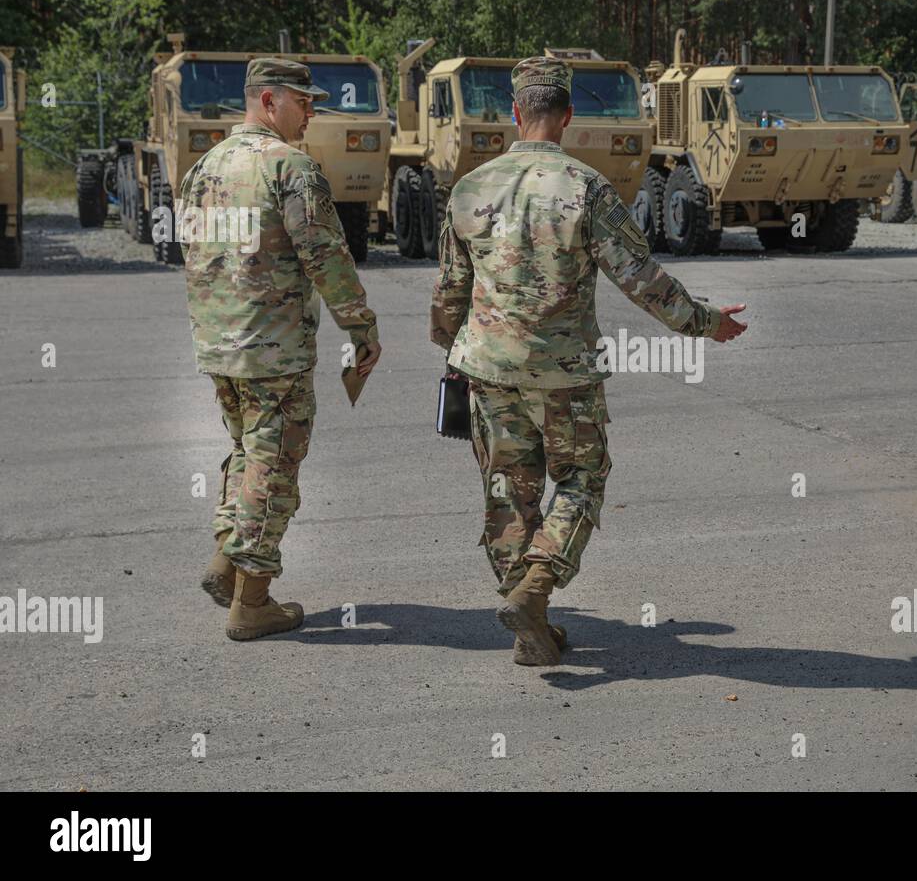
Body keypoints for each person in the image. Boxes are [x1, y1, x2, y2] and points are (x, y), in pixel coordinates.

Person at [430, 56, 747, 667]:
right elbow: (641, 279)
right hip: (564, 373)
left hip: (487, 370)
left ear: (515, 115)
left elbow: (448, 293)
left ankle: (530, 619)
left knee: (507, 489)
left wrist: (456, 352)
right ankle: (536, 592)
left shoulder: (469, 188)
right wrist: (706, 322)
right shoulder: (587, 187)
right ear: (568, 117)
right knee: (580, 480)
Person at [180, 58, 381, 641]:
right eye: (303, 100)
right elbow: (325, 255)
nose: (312, 110)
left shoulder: (204, 167)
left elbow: (192, 254)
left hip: (219, 342)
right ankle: (254, 600)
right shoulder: (291, 168)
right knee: (277, 464)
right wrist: (361, 326)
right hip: (273, 349)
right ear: (268, 101)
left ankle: (227, 562)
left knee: (248, 453)